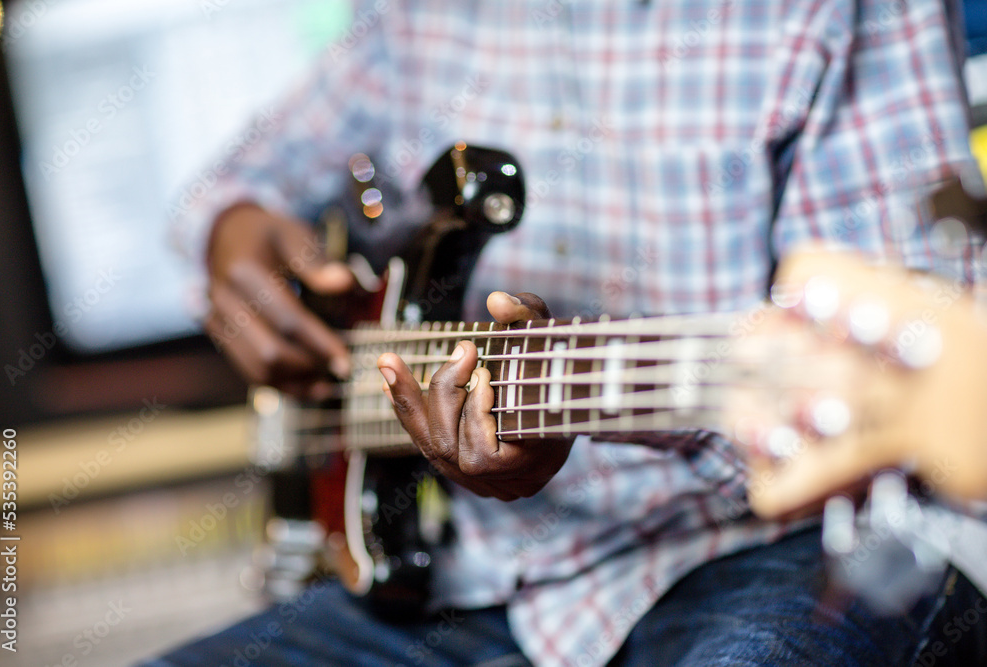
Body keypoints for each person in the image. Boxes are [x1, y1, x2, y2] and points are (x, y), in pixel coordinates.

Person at [149, 0, 987, 665]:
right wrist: (235, 226)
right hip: (463, 575)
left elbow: (908, 408)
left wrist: (582, 409)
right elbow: (228, 186)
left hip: (758, 552)